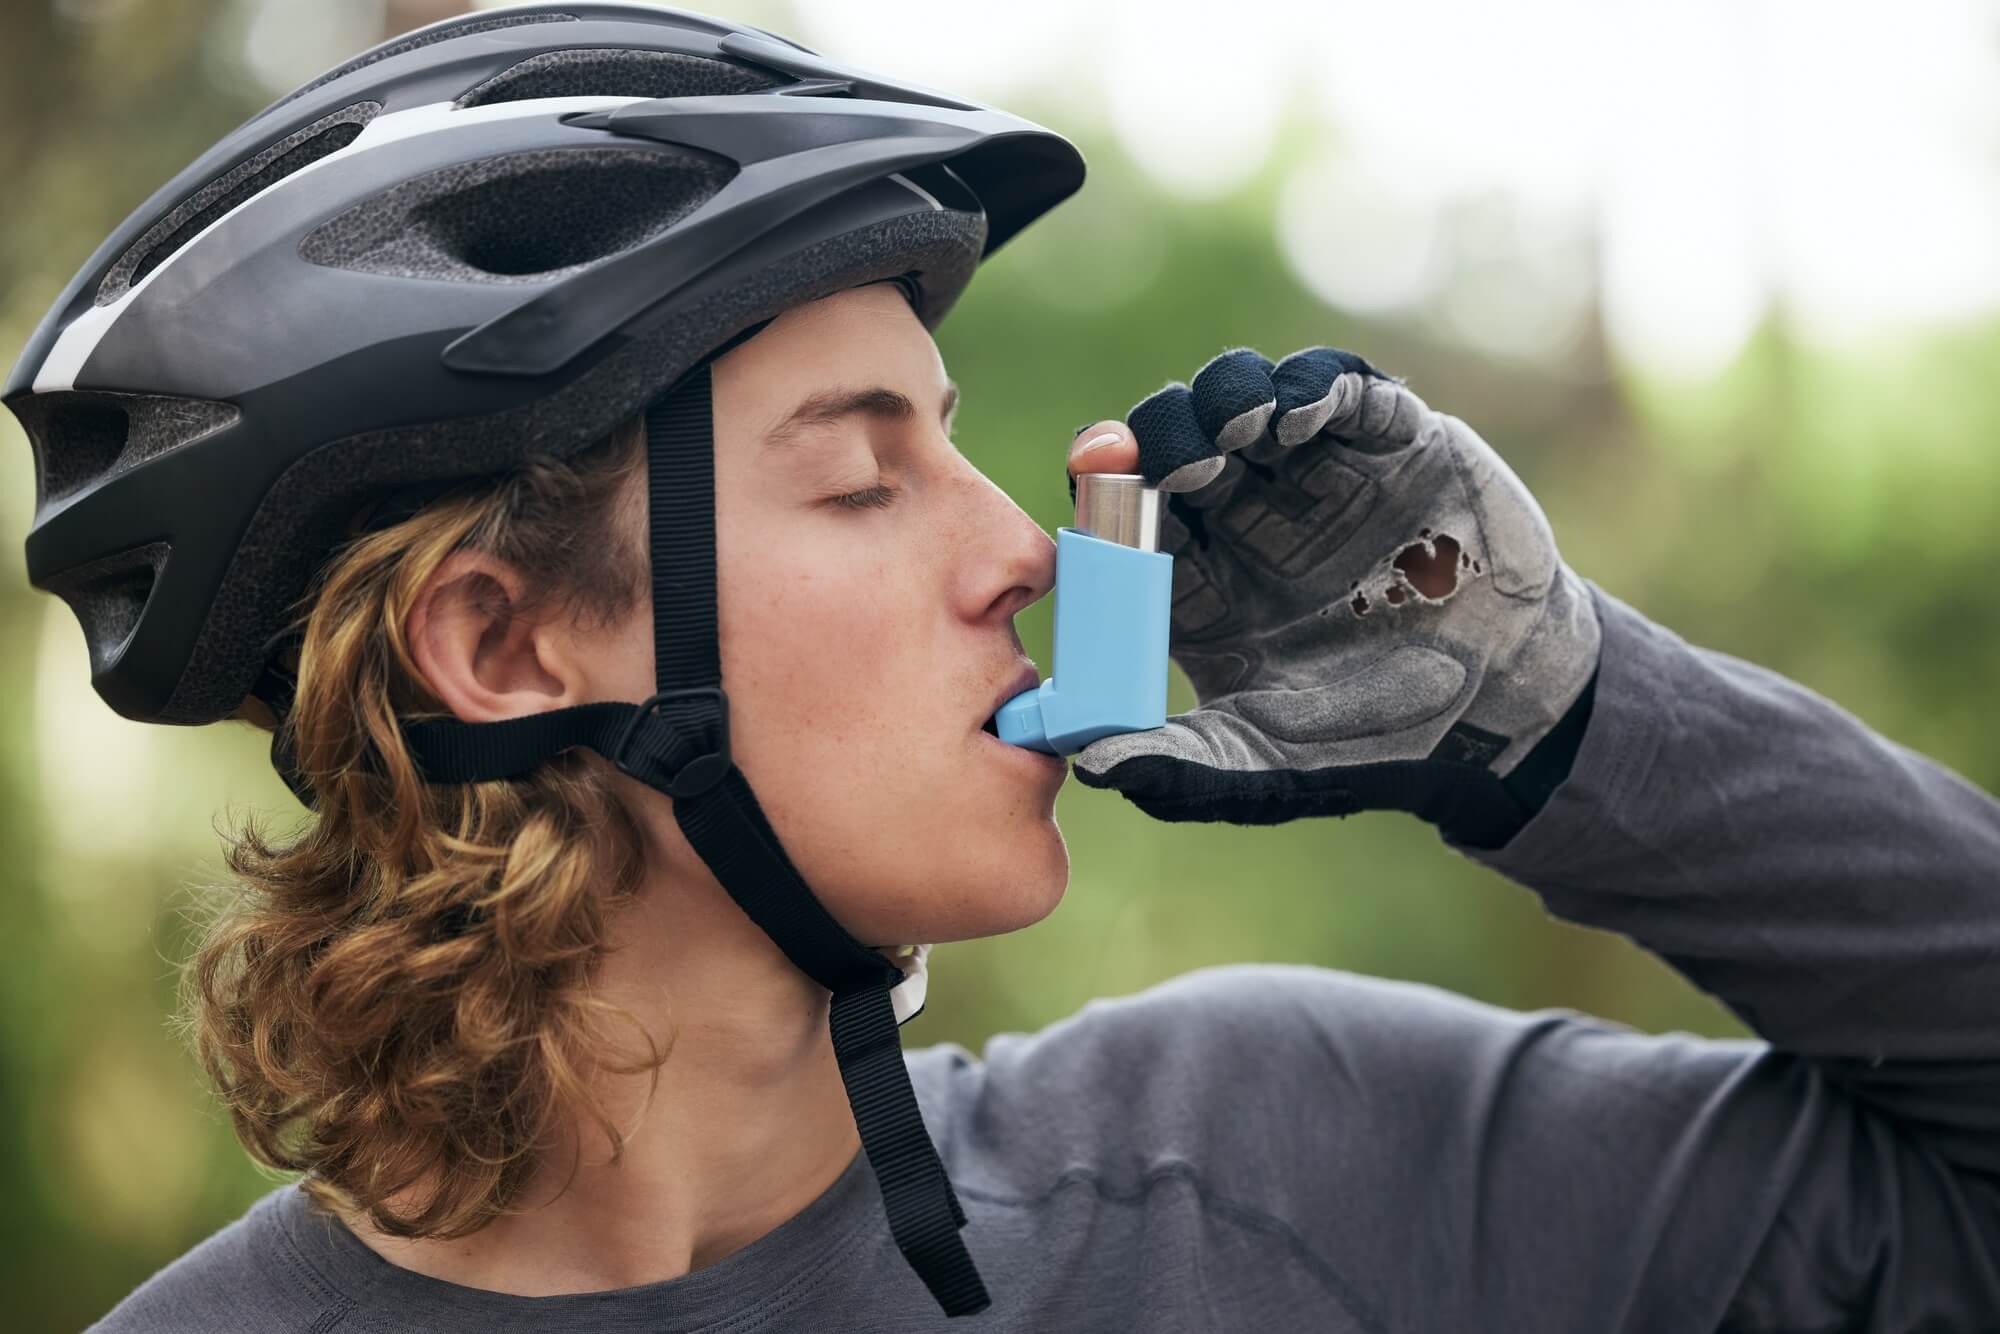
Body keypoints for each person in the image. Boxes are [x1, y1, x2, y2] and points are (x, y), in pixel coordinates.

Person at [9, 5, 1995, 1331]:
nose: (1024, 547)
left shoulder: (1284, 1161)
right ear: (505, 640)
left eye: (952, 440)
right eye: (868, 477)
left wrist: (1564, 716)